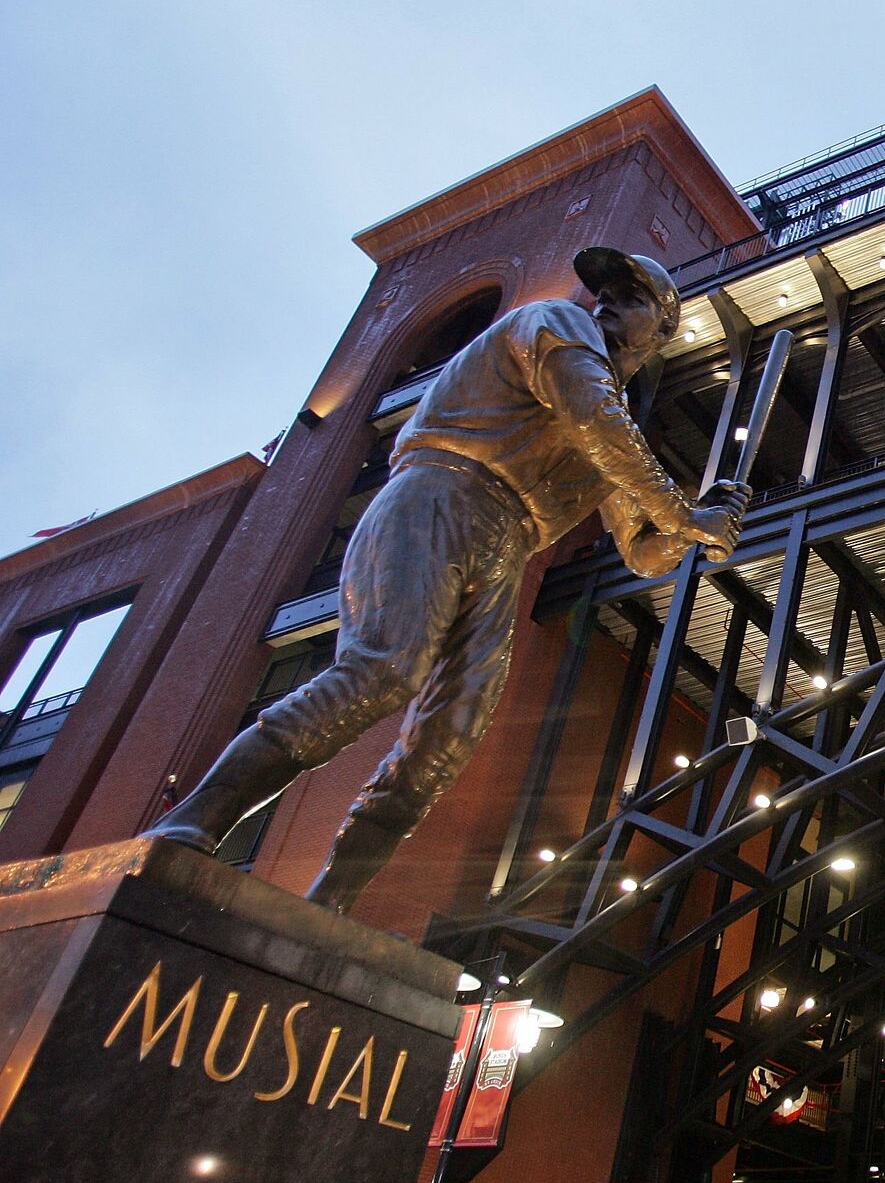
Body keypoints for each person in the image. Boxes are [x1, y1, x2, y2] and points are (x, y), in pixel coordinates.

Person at [150, 247, 748, 912]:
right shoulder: (559, 326)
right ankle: (194, 820)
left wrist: (698, 529)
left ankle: (330, 905)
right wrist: (685, 513)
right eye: (605, 289)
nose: (606, 300)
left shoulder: (612, 430)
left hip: (507, 546)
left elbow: (641, 553)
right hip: (439, 493)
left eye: (631, 298)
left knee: (450, 736)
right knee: (386, 669)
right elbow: (591, 418)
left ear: (661, 330)